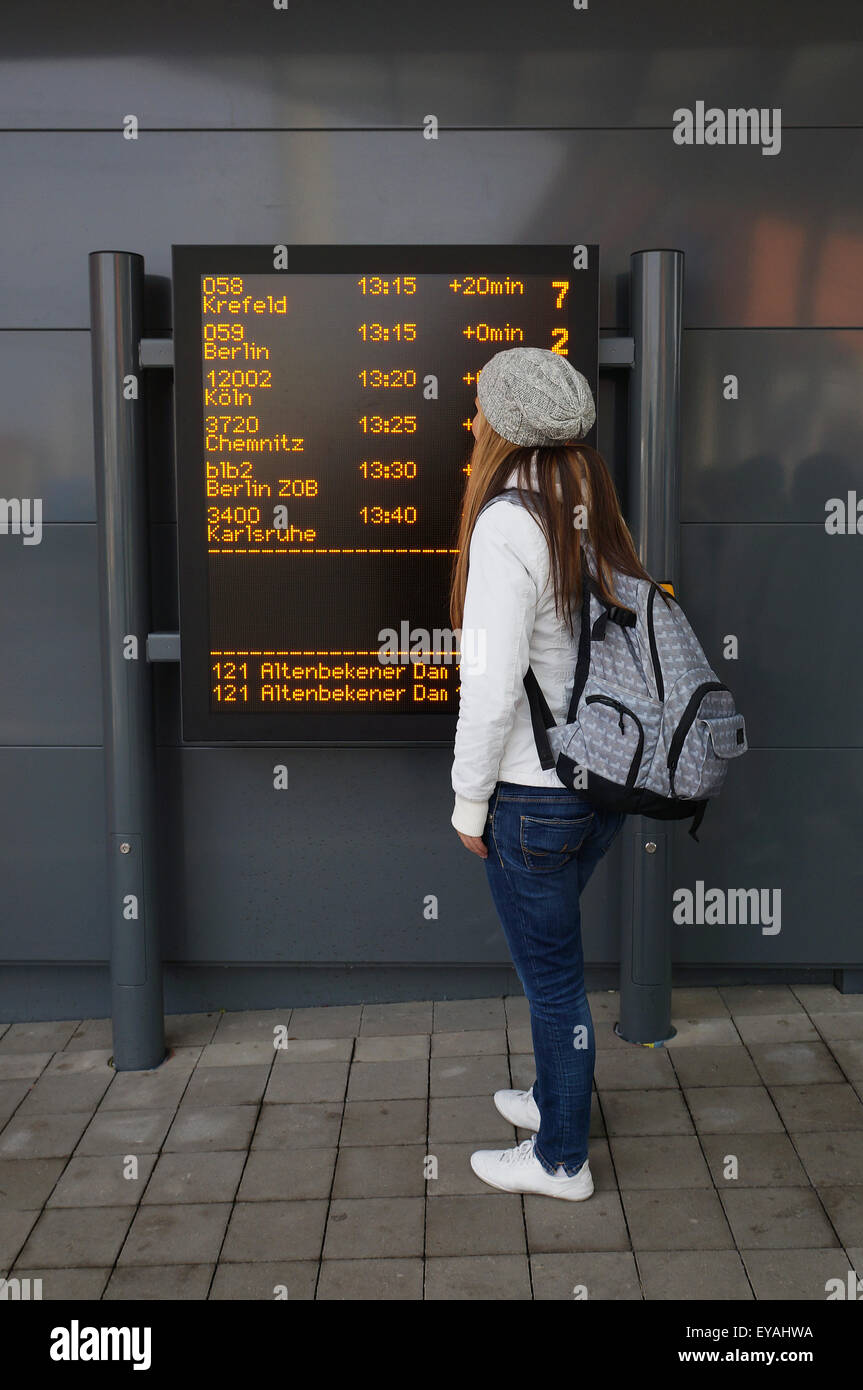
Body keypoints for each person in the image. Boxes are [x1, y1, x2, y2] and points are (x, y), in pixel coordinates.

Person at [448, 345, 662, 1201]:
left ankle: (560, 1159)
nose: (472, 422)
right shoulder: (588, 505)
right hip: (597, 786)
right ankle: (549, 1099)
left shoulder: (508, 521)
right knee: (557, 971)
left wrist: (469, 801)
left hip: (533, 799)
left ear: (505, 426)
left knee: (554, 986)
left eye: (479, 410)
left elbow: (493, 683)